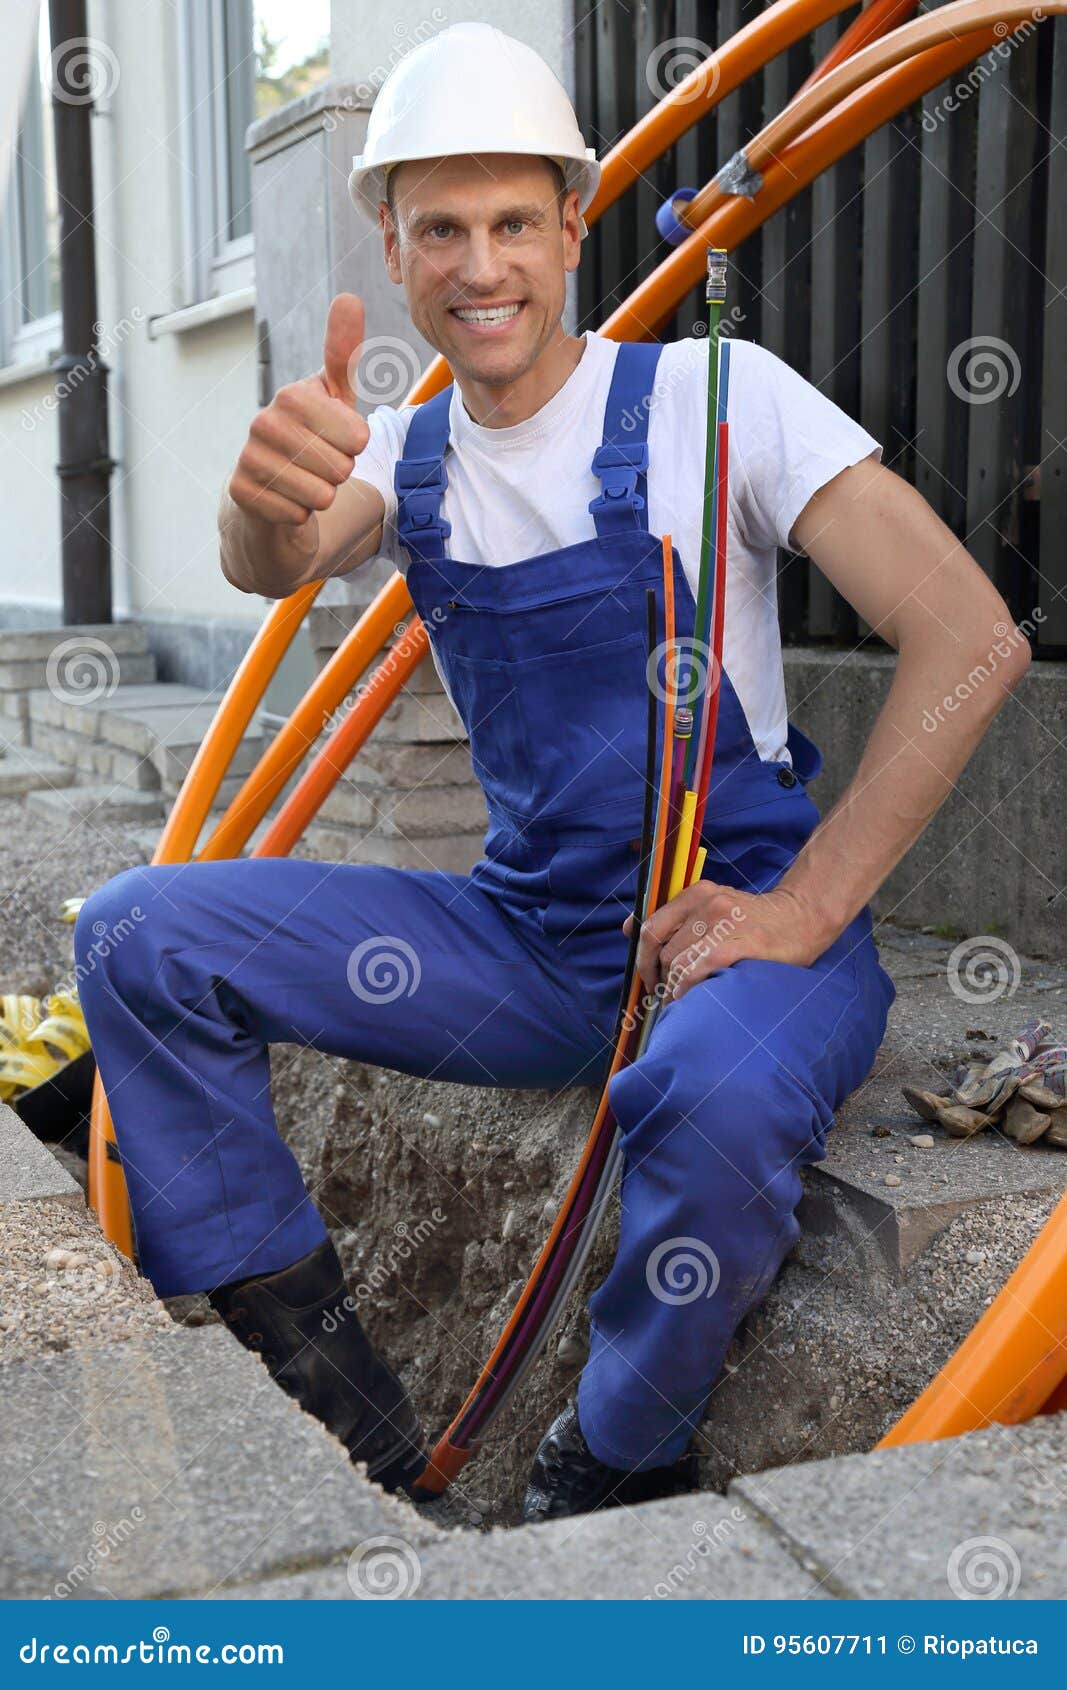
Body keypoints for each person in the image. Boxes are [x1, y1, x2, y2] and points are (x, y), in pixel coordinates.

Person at [75, 21, 1029, 1522]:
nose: (482, 266)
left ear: (575, 225)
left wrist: (805, 909)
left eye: (516, 221)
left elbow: (971, 640)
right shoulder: (403, 455)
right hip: (530, 945)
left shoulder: (719, 402)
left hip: (736, 939)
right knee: (135, 931)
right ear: (393, 248)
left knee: (712, 1103)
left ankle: (609, 1464)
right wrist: (256, 502)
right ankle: (349, 1418)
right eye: (441, 229)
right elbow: (278, 560)